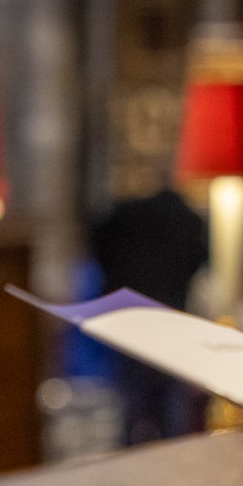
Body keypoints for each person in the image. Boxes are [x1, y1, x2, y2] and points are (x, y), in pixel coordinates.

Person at [89, 188, 208, 444]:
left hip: (129, 318)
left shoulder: (124, 216)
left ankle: (130, 460)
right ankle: (171, 460)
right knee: (170, 407)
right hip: (169, 319)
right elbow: (200, 262)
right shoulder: (187, 221)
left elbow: (97, 247)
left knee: (131, 404)